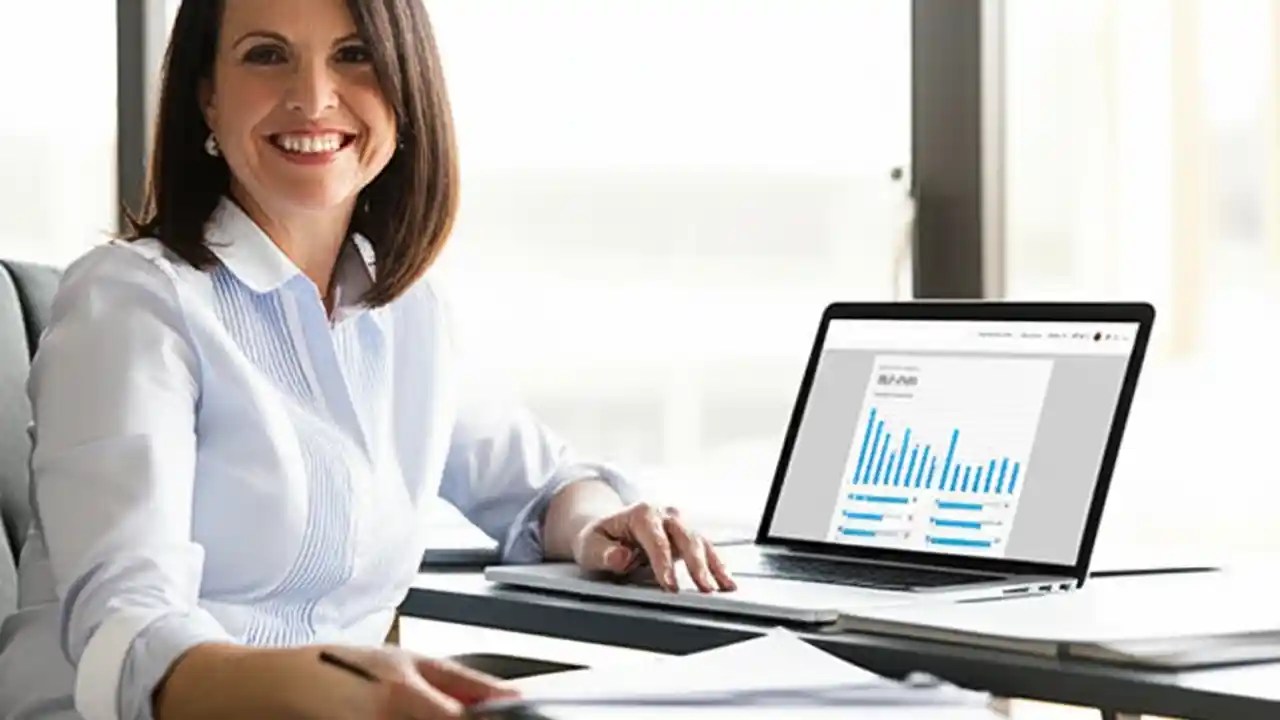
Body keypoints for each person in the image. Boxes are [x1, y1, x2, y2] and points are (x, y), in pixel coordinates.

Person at [0, 1, 736, 718]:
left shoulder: (406, 313)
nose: (313, 98)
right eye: (266, 55)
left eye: (353, 55)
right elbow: (126, 632)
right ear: (206, 100)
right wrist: (329, 686)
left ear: (404, 90)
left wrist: (601, 527)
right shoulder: (132, 301)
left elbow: (544, 486)